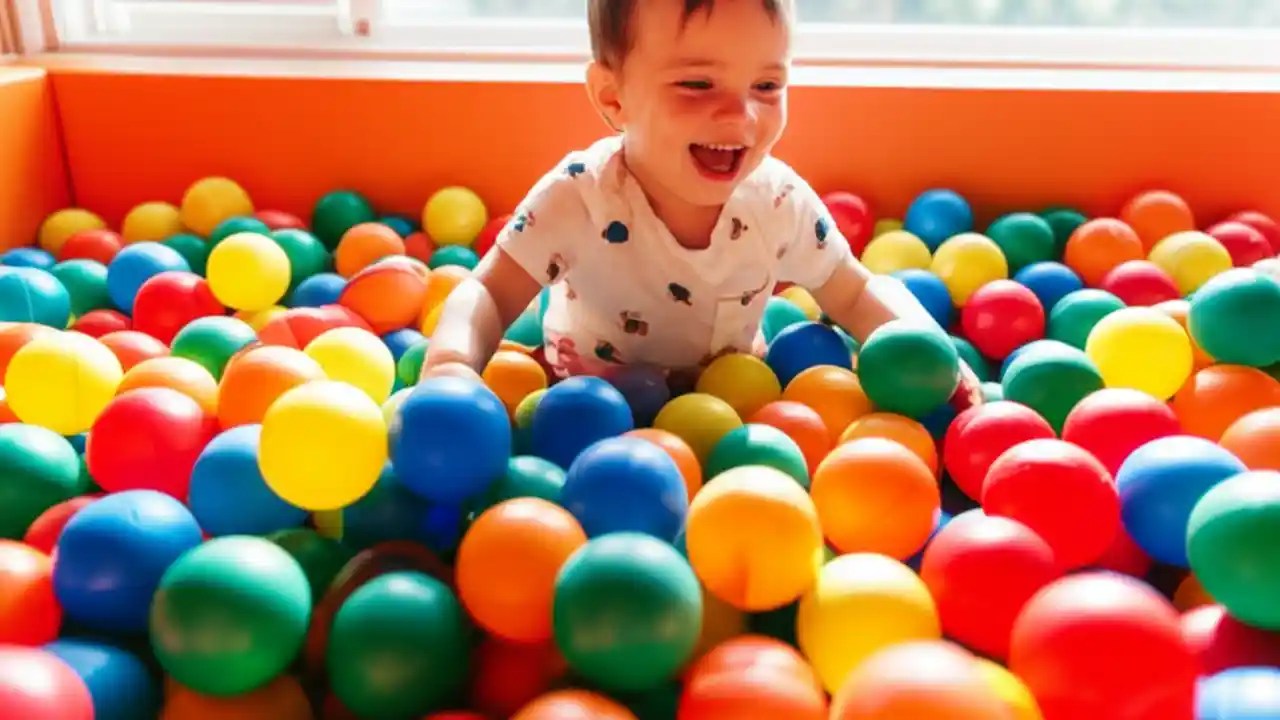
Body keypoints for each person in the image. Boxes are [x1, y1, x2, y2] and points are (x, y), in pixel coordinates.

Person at [421, 0, 981, 405]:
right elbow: (488, 291)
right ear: (614, 98)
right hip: (587, 406)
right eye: (696, 85)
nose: (740, 116)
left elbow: (856, 291)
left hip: (737, 402)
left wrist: (928, 350)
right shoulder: (581, 197)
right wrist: (450, 364)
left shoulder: (777, 202)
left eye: (766, 86)